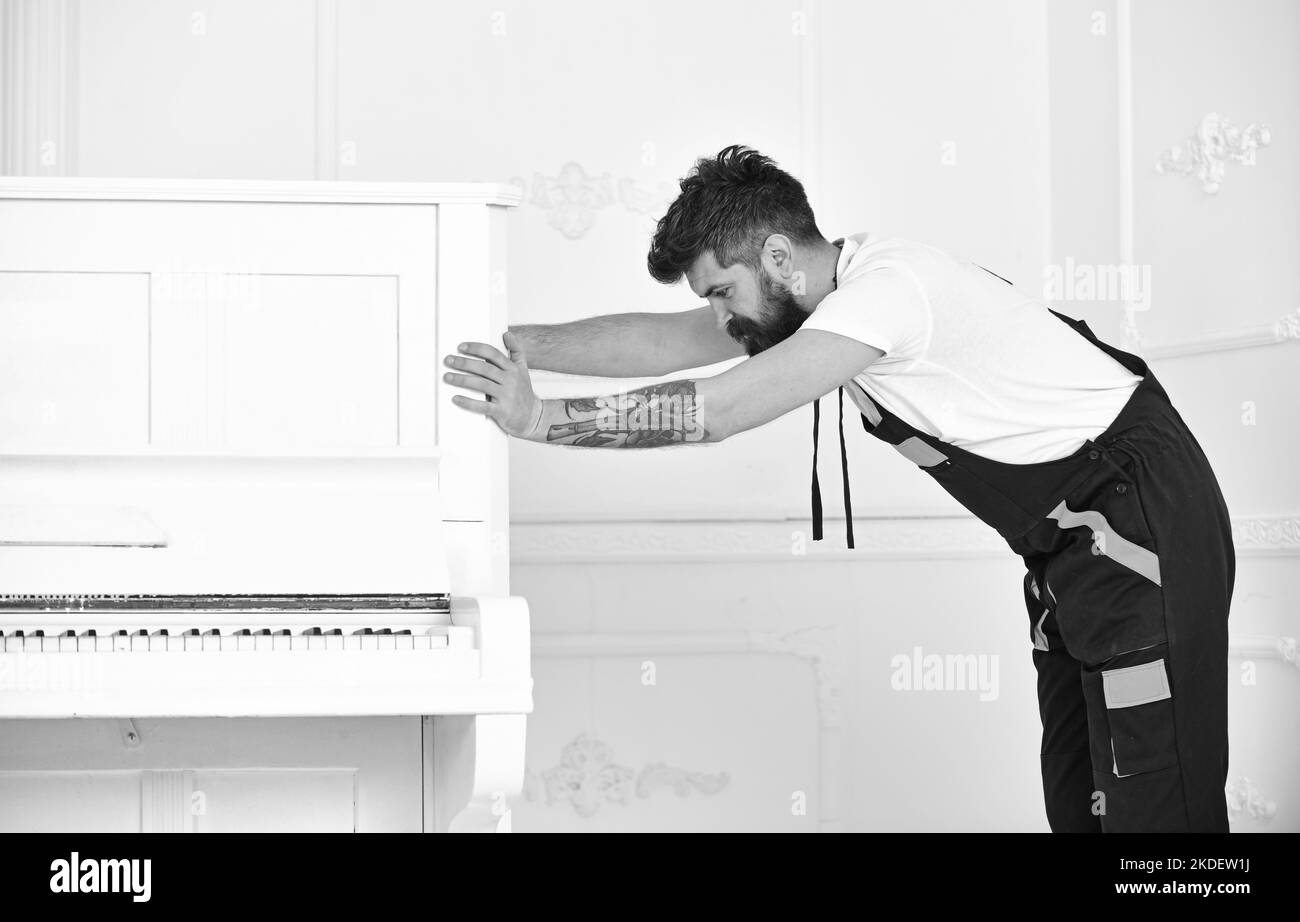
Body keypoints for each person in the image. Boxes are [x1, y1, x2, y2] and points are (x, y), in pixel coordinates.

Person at [443, 144, 1235, 833]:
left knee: (1158, 814)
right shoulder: (813, 298)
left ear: (780, 257)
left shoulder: (889, 292)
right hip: (1071, 554)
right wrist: (505, 349)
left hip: (1143, 524)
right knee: (1083, 801)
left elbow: (721, 410)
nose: (719, 315)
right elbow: (660, 341)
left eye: (723, 292)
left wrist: (540, 420)